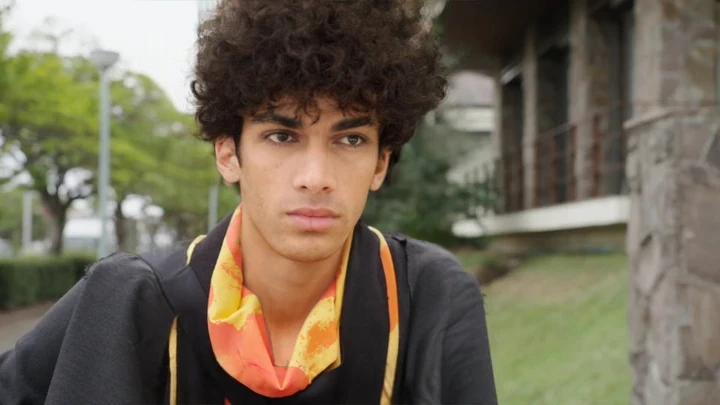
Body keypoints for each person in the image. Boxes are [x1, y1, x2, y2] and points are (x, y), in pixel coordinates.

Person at [0, 0, 497, 404]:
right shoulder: (131, 301)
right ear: (228, 154)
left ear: (381, 163)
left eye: (350, 140)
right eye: (282, 136)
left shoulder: (426, 296)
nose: (316, 178)